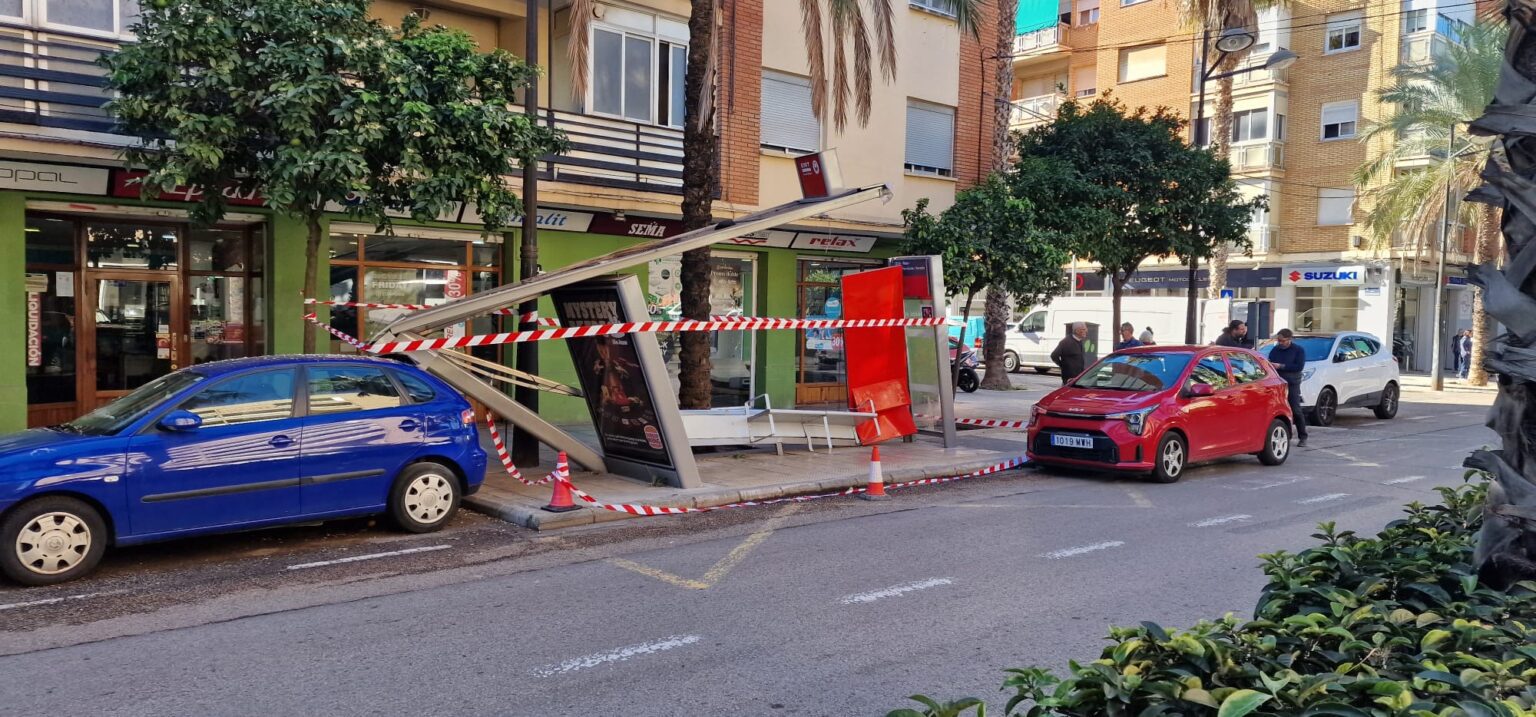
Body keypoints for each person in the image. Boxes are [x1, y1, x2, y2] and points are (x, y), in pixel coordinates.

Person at [1268, 328, 1310, 447]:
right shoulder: (1275, 349)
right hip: (1277, 383)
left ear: (1289, 339)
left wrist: (1281, 366)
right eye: (1279, 340)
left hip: (1292, 383)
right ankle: (1283, 434)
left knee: (1295, 409)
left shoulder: (1298, 350)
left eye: (1282, 341)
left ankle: (1303, 436)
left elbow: (1298, 367)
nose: (1280, 343)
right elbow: (1270, 360)